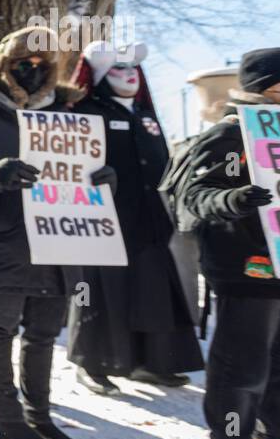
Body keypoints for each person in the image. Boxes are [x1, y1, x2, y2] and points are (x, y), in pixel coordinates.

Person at [0, 26, 116, 439]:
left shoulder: (68, 116)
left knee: (44, 335)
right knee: (0, 330)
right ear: (5, 65)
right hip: (4, 242)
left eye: (42, 65)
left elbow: (84, 171)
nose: (32, 70)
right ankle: (7, 419)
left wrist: (104, 179)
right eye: (22, 63)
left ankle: (39, 415)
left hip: (60, 240)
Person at [66, 41, 204, 394]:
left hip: (152, 222)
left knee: (152, 289)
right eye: (117, 70)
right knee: (101, 289)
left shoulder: (145, 115)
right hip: (104, 218)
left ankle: (153, 361)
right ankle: (92, 362)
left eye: (132, 70)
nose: (128, 76)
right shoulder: (90, 111)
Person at [179, 48, 280, 439]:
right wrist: (234, 199)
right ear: (259, 88)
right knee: (243, 364)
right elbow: (198, 194)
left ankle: (273, 437)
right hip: (245, 266)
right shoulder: (229, 136)